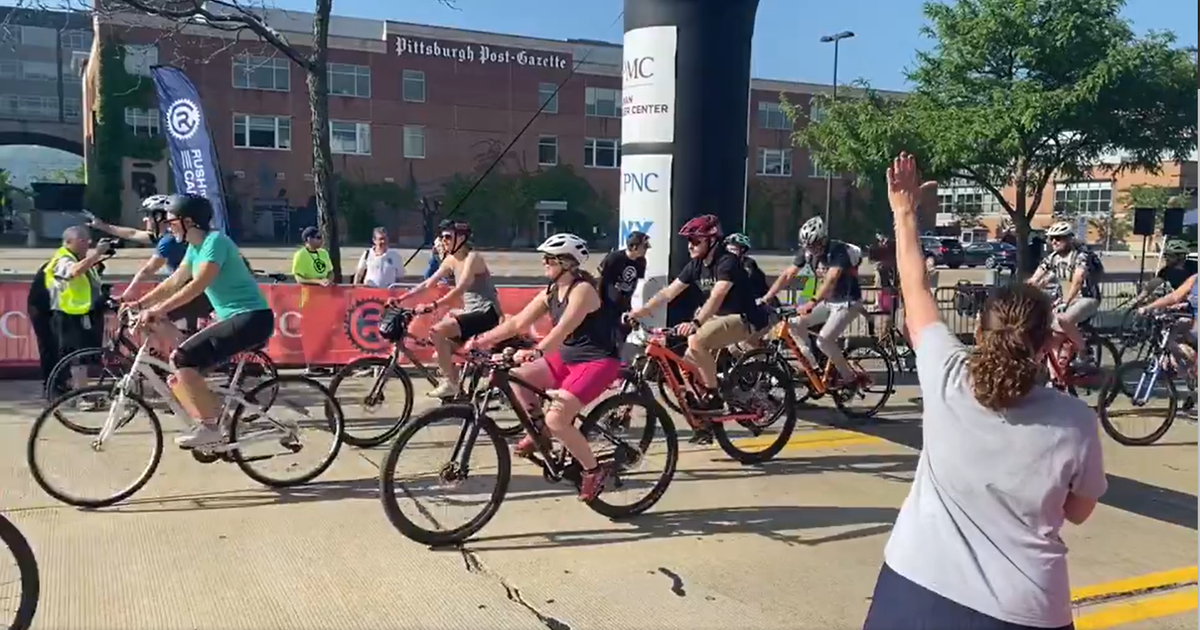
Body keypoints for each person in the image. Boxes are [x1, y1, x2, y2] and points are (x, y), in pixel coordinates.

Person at [862, 153, 1106, 630]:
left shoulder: (946, 374)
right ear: (1043, 343)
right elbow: (1078, 512)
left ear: (978, 329)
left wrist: (904, 212)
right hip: (1024, 608)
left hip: (913, 587)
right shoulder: (1074, 422)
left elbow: (915, 285)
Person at [471, 233, 618, 501]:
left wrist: (535, 351)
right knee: (517, 377)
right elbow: (516, 324)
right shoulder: (551, 291)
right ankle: (541, 435)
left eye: (549, 259)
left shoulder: (583, 290)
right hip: (567, 356)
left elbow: (562, 330)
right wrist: (480, 341)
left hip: (597, 360)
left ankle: (593, 470)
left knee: (557, 418)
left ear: (568, 263)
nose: (543, 263)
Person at [129, 194, 275, 449]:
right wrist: (140, 304)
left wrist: (158, 311)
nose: (168, 226)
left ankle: (210, 427)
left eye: (172, 221)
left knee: (182, 358)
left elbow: (198, 284)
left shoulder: (215, 242)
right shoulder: (194, 249)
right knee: (180, 376)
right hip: (236, 317)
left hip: (251, 317)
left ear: (188, 222)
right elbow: (174, 282)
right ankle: (226, 423)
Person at [627, 214, 767, 416]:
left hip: (744, 318)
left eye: (695, 241)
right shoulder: (696, 265)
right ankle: (706, 414)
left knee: (697, 341)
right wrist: (640, 312)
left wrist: (696, 321)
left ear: (711, 240)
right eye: (688, 241)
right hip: (718, 318)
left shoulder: (727, 262)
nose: (690, 246)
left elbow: (718, 295)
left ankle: (714, 397)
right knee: (688, 362)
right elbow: (668, 292)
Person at [393, 219, 501, 398]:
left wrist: (433, 305)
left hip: (486, 312)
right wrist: (401, 298)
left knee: (437, 331)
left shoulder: (473, 258)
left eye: (448, 237)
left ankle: (451, 384)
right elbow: (429, 283)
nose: (444, 241)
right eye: (442, 237)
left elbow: (460, 289)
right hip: (471, 312)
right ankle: (459, 393)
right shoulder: (451, 260)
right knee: (439, 356)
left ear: (461, 238)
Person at [761, 216, 867, 389]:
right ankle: (812, 366)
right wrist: (767, 297)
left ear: (823, 240)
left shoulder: (837, 250)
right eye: (808, 246)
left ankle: (850, 378)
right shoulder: (807, 252)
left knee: (824, 340)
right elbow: (788, 274)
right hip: (828, 302)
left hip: (848, 302)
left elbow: (831, 279)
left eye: (815, 245)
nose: (812, 250)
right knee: (794, 324)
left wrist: (811, 302)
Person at [92, 195, 213, 343]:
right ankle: (186, 346)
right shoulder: (169, 237)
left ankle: (185, 351)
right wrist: (102, 226)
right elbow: (132, 233)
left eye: (148, 215)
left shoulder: (168, 241)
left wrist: (126, 296)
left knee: (152, 317)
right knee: (157, 314)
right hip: (191, 287)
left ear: (159, 217)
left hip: (196, 290)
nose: (144, 220)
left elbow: (148, 270)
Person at [44, 225, 112, 398]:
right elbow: (74, 272)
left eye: (88, 240)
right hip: (67, 314)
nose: (87, 244)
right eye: (81, 240)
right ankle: (81, 396)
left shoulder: (79, 258)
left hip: (80, 313)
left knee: (83, 357)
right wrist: (97, 253)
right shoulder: (63, 258)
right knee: (76, 357)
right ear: (68, 242)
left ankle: (83, 393)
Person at [1026, 221, 1102, 368]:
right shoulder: (1053, 258)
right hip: (1066, 300)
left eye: (1059, 238)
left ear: (1069, 238)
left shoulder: (1080, 256)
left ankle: (1084, 352)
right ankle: (1056, 378)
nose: (1054, 241)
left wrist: (1065, 302)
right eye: (1051, 238)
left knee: (1064, 319)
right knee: (1051, 336)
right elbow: (1036, 278)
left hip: (1086, 298)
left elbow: (1077, 281)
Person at [291, 226, 333, 376]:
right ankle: (311, 363)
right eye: (317, 238)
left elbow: (330, 271)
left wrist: (328, 279)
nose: (321, 240)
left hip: (325, 299)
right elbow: (298, 277)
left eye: (321, 237)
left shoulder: (323, 253)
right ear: (308, 239)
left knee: (323, 332)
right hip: (308, 300)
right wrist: (317, 282)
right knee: (310, 333)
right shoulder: (300, 255)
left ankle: (322, 362)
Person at [597, 230, 649, 342]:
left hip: (625, 304)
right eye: (644, 247)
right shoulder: (614, 258)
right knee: (606, 335)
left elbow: (638, 284)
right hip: (608, 304)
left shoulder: (641, 262)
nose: (646, 250)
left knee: (622, 334)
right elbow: (600, 279)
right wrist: (599, 301)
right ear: (634, 247)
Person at [1138, 272, 1197, 369]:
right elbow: (1175, 296)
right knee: (1172, 338)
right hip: (1193, 324)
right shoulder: (1195, 279)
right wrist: (1149, 308)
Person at [1134, 240, 1197, 304]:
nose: (1166, 258)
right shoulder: (1166, 270)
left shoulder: (1195, 267)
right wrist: (1137, 299)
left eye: (1170, 255)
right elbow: (1152, 285)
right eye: (1165, 255)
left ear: (1181, 256)